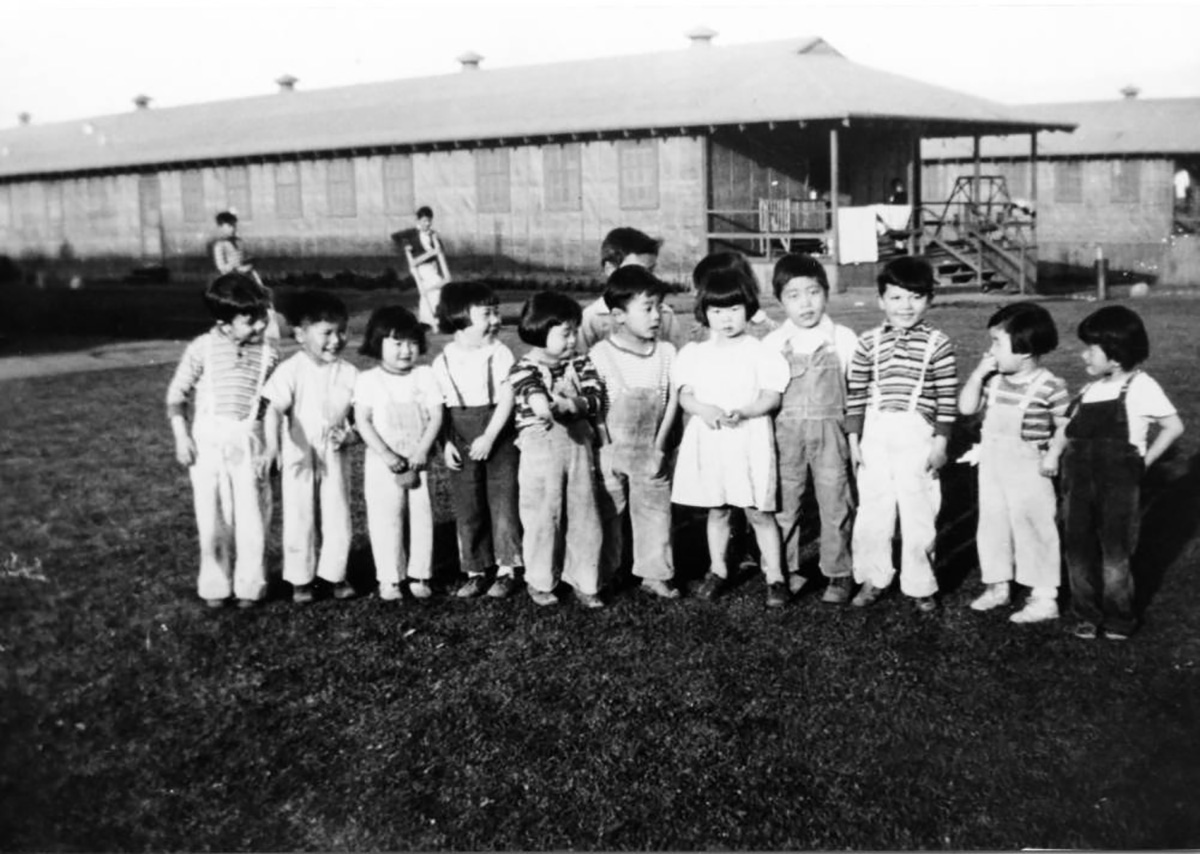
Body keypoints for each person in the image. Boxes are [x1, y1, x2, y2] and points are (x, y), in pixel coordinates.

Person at [1051, 306, 1183, 640]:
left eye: (1090, 349)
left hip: (1118, 483)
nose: (1083, 354)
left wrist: (1145, 461)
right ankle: (1085, 612)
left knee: (1115, 553)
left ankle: (1118, 618)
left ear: (1115, 354)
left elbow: (1173, 427)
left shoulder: (1141, 386)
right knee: (1078, 548)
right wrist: (1054, 454)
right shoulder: (1089, 390)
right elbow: (1067, 428)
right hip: (1077, 481)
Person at [671, 254, 790, 607]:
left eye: (734, 309)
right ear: (704, 311)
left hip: (748, 437)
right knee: (718, 508)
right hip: (712, 440)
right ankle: (719, 568)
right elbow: (685, 396)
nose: (726, 318)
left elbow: (771, 395)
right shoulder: (695, 353)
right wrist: (702, 409)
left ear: (748, 308)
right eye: (717, 311)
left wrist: (747, 410)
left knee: (758, 511)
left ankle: (776, 576)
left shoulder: (760, 352)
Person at [845, 256, 957, 612]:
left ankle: (920, 583)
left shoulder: (938, 344)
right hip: (875, 436)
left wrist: (941, 443)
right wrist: (854, 442)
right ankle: (872, 577)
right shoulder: (867, 343)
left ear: (929, 300)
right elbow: (856, 396)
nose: (906, 306)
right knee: (873, 513)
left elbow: (946, 399)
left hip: (917, 436)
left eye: (915, 297)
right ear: (881, 300)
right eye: (896, 297)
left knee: (919, 512)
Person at [166, 272, 279, 608]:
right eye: (250, 320)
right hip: (207, 445)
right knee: (211, 516)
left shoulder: (270, 354)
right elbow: (177, 393)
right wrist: (181, 438)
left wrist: (272, 447)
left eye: (262, 317)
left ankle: (250, 584)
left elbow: (272, 405)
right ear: (225, 322)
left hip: (249, 444)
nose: (259, 326)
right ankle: (215, 584)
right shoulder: (202, 348)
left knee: (252, 516)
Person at [958, 302, 1069, 623]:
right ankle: (997, 585)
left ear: (1024, 351)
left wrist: (1053, 454)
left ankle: (1044, 597)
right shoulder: (993, 381)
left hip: (1029, 469)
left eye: (997, 343)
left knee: (1034, 526)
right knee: (993, 524)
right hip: (993, 464)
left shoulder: (1050, 386)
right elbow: (966, 409)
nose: (990, 350)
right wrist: (978, 375)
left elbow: (1065, 426)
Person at [761, 253, 858, 603]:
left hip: (831, 434)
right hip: (786, 437)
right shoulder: (773, 344)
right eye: (794, 295)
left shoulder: (843, 339)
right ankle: (782, 572)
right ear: (780, 301)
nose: (806, 303)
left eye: (813, 292)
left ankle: (839, 572)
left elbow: (857, 390)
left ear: (827, 293)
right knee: (784, 505)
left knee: (836, 503)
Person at [508, 290, 606, 608]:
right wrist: (546, 405)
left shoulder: (581, 362)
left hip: (578, 446)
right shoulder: (525, 367)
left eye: (575, 331)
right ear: (540, 329)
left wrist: (572, 404)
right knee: (542, 514)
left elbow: (595, 396)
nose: (572, 339)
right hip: (540, 449)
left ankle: (584, 579)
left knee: (583, 511)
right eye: (565, 333)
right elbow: (533, 394)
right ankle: (540, 578)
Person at [589, 265, 681, 599]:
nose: (657, 315)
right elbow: (596, 407)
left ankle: (654, 573)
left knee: (655, 512)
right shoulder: (601, 355)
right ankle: (608, 570)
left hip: (651, 448)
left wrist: (659, 446)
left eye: (659, 307)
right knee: (609, 513)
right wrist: (605, 447)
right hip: (613, 448)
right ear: (618, 315)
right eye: (647, 308)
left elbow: (671, 402)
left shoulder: (667, 353)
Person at [261, 290, 359, 604]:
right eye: (327, 333)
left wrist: (352, 436)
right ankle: (300, 579)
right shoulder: (291, 370)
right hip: (297, 455)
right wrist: (273, 448)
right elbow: (273, 409)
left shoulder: (350, 373)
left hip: (334, 453)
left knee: (337, 513)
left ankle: (335, 574)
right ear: (301, 335)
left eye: (341, 331)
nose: (336, 340)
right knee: (299, 515)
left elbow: (364, 417)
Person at [432, 281, 523, 600]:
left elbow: (508, 400)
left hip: (498, 435)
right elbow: (440, 409)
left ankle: (507, 569)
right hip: (460, 437)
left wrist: (489, 436)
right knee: (468, 505)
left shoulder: (499, 353)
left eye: (496, 312)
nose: (496, 320)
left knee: (503, 501)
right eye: (487, 314)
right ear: (460, 316)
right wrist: (445, 444)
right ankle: (475, 570)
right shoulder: (442, 361)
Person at [354, 306, 444, 601]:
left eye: (412, 343)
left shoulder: (425, 375)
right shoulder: (369, 380)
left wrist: (422, 451)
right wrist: (386, 455)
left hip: (420, 460)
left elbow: (436, 416)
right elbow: (363, 421)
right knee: (386, 517)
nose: (406, 351)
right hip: (383, 463)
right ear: (377, 343)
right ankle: (390, 578)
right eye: (397, 343)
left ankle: (420, 574)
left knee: (421, 516)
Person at [577, 227, 687, 351]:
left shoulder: (664, 315)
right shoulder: (592, 318)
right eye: (637, 270)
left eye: (650, 271)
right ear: (610, 269)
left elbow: (678, 358)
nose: (646, 277)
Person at [211, 210, 285, 342]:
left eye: (234, 225)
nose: (232, 229)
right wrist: (237, 268)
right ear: (221, 227)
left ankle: (257, 332)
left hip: (246, 279)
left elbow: (244, 258)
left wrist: (249, 264)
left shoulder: (239, 242)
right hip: (231, 283)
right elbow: (222, 267)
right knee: (233, 309)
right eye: (229, 226)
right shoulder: (220, 245)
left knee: (258, 303)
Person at [400, 206, 451, 329]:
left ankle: (426, 320)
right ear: (418, 221)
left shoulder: (433, 235)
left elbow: (440, 251)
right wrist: (408, 246)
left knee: (429, 290)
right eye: (424, 221)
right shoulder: (412, 236)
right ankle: (434, 319)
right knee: (437, 284)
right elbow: (405, 245)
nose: (427, 224)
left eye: (429, 221)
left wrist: (436, 248)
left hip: (431, 266)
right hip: (421, 267)